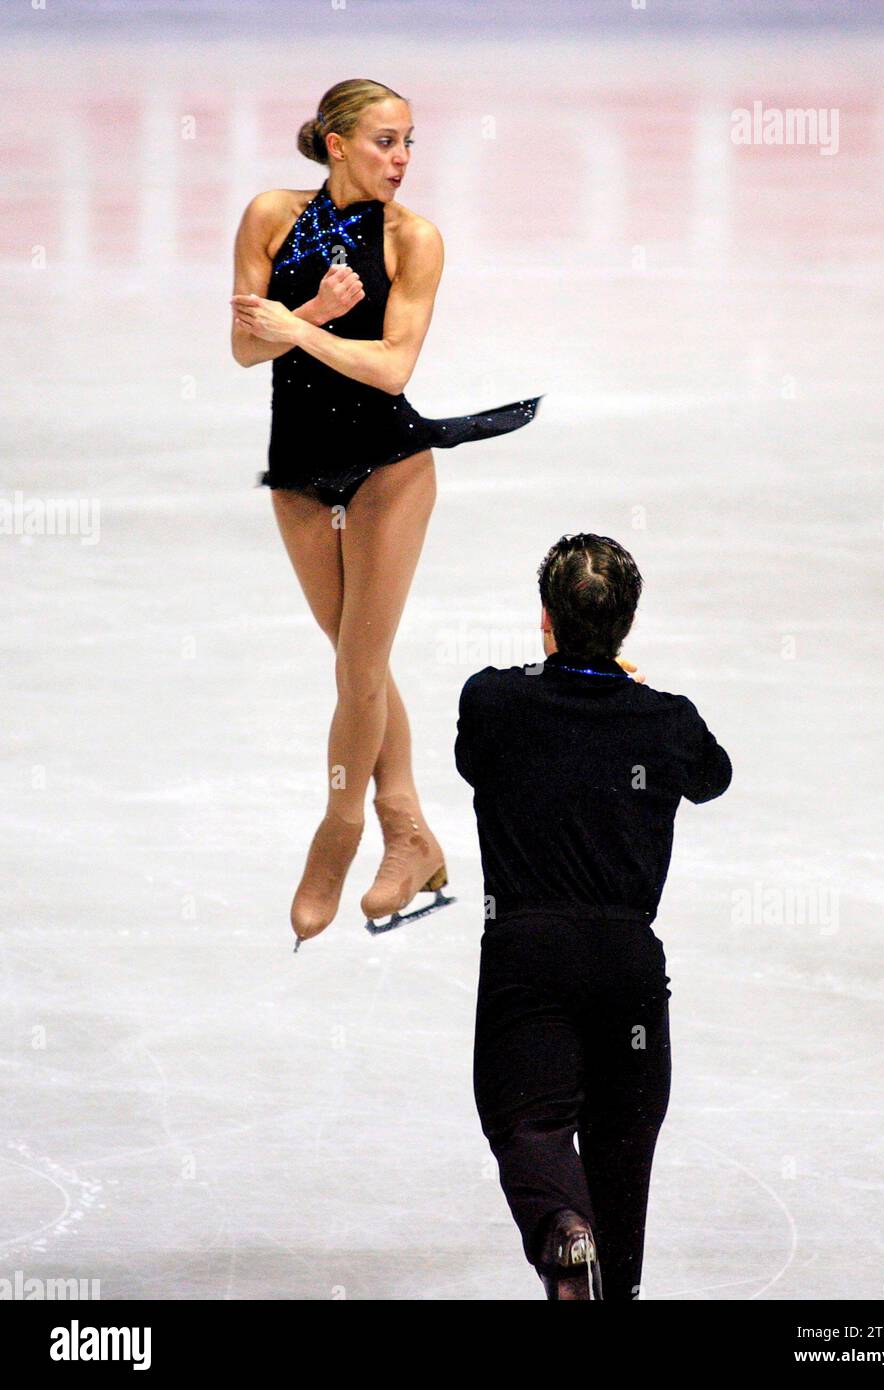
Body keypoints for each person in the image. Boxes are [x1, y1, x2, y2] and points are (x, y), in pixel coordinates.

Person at [229, 79, 541, 948]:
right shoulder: (268, 216)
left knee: (360, 666)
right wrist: (311, 315)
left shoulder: (414, 239)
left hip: (389, 466)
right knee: (353, 659)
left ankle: (340, 832)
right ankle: (410, 827)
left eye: (409, 143)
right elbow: (242, 346)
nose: (401, 160)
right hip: (297, 470)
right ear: (334, 142)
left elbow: (393, 368)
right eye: (383, 142)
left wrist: (307, 327)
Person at [454, 533, 732, 1300]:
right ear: (628, 622)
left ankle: (561, 1234)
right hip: (627, 964)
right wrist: (629, 695)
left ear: (544, 617)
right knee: (621, 1155)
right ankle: (609, 1277)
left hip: (528, 951)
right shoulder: (666, 721)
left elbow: (474, 758)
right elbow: (713, 778)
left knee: (530, 1125)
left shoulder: (493, 700)